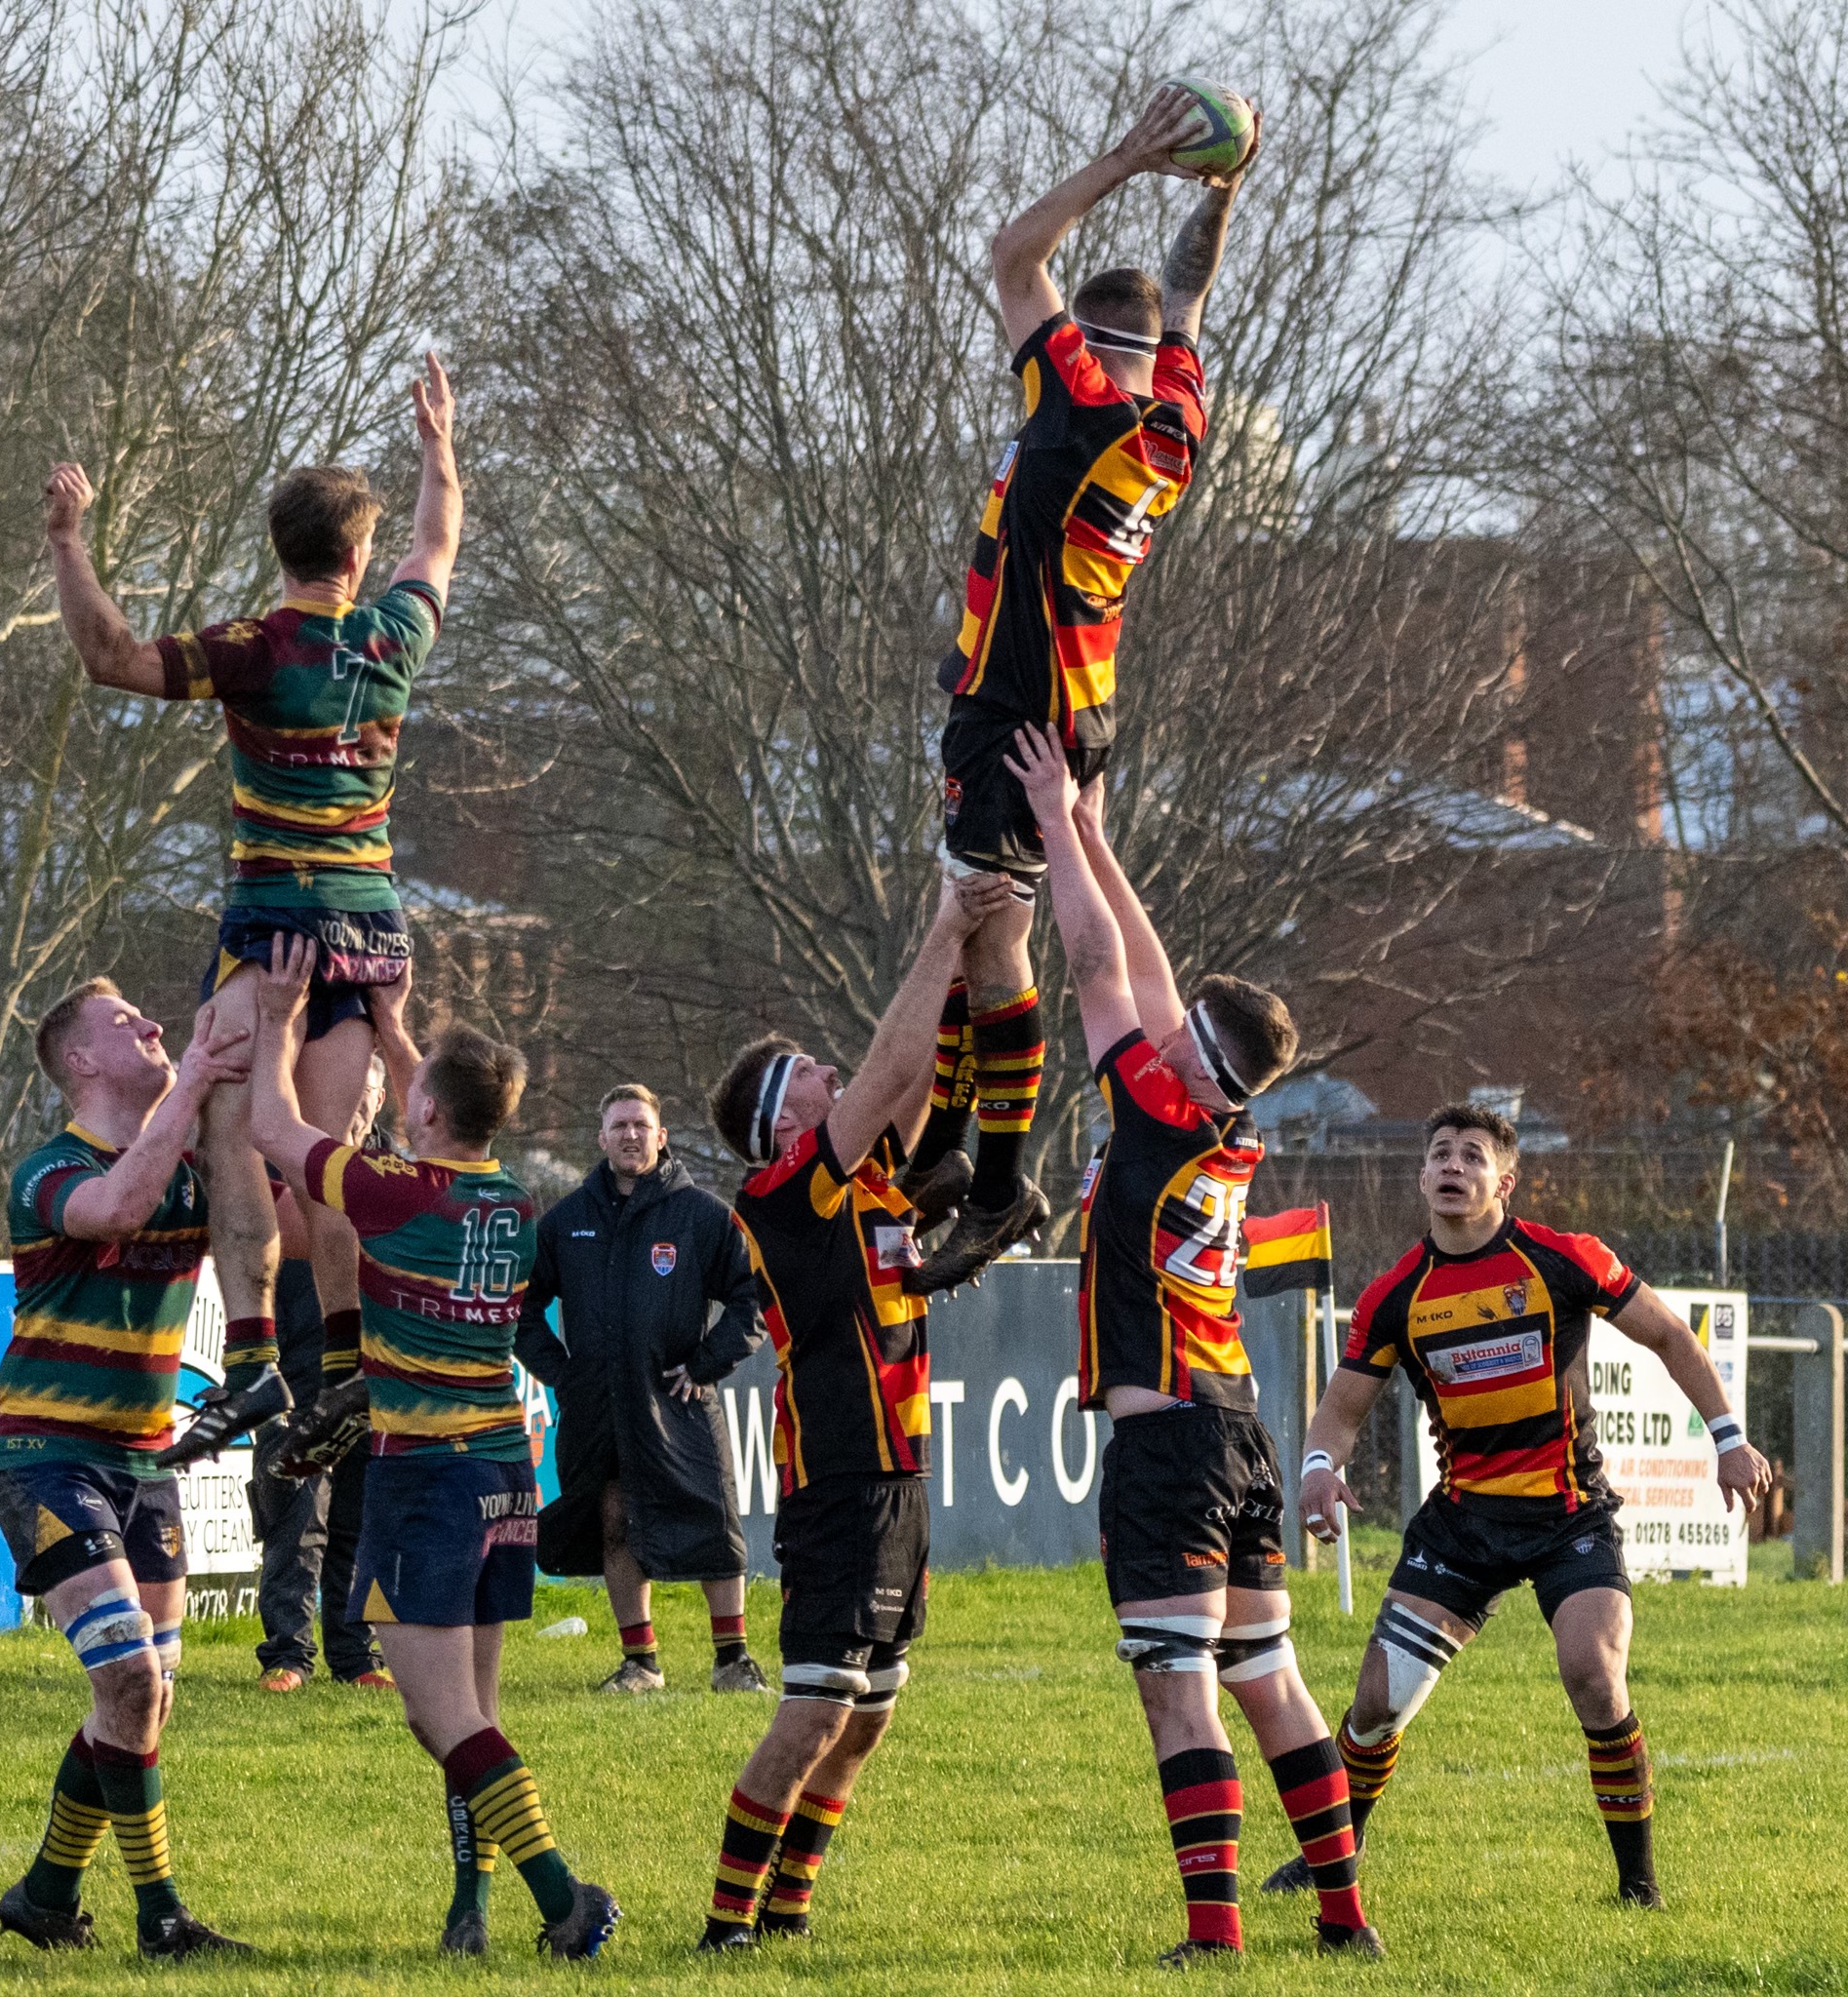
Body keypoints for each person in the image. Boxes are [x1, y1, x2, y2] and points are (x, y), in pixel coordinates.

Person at [1005, 724, 1384, 1965]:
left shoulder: (1160, 1106)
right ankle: (1342, 1917)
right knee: (1266, 1676)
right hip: (1237, 1424)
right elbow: (1154, 979)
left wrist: (1058, 822)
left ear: (1196, 1056)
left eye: (1182, 1029)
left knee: (1179, 1682)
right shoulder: (1219, 1120)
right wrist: (1100, 836)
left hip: (1168, 1433)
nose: (1159, 1028)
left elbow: (1094, 961)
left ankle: (1214, 1937)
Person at [42, 352, 462, 1461]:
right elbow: (440, 542)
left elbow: (112, 656)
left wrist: (68, 542)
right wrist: (437, 448)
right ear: (355, 554)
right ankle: (347, 1371)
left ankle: (252, 1367)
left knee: (235, 1130)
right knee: (321, 1152)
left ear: (281, 551)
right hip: (370, 929)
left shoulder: (250, 650)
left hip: (273, 921)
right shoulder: (393, 636)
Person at [909, 82, 1257, 1292]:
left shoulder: (1079, 409)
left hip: (1019, 714)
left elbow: (1012, 254)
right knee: (957, 934)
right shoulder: (1173, 412)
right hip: (1073, 702)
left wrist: (1126, 157)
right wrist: (1214, 191)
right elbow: (1189, 294)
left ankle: (997, 1180)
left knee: (983, 936)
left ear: (1082, 349)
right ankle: (948, 1154)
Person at [1264, 1104, 1773, 1909]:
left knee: (1595, 1677)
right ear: (1423, 1176)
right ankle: (1329, 1859)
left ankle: (1638, 1884)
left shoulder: (1562, 1258)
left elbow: (1671, 1336)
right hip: (1463, 1523)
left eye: (1471, 1154)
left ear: (1505, 1179)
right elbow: (1343, 1410)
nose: (1452, 1166)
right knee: (1375, 1706)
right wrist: (1320, 1467)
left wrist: (1729, 1437)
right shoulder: (1396, 1293)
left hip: (1569, 1514)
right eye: (1439, 1154)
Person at [247, 934, 618, 1962]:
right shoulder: (507, 1197)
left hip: (429, 1477)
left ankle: (565, 1898)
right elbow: (445, 1107)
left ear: (421, 1116)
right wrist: (396, 1026)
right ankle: (470, 1907)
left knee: (444, 1713)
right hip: (505, 1470)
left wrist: (280, 1011)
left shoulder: (392, 1189)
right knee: (467, 1715)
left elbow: (270, 1124)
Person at [694, 869, 1015, 1950]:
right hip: (835, 1476)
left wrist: (981, 937)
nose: (829, 1071)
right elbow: (882, 1068)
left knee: (868, 1714)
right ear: (778, 1121)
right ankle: (724, 1922)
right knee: (817, 1706)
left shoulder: (868, 1175)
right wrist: (944, 919)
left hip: (898, 1480)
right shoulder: (779, 1193)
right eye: (805, 1076)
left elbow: (912, 1067)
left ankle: (785, 1910)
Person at [0, 979, 254, 1959]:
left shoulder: (185, 1158)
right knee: (131, 1676)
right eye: (123, 1020)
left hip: (146, 1463)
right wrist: (190, 1081)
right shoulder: (48, 1169)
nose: (149, 1022)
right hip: (45, 1457)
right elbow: (115, 1206)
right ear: (80, 1062)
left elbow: (280, 1237)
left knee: (142, 1697)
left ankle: (47, 1892)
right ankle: (162, 1915)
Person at [518, 1083, 769, 1695]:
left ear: (661, 1136)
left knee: (712, 1516)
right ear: (601, 1139)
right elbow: (521, 1307)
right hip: (597, 1404)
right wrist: (561, 1370)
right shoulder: (567, 1221)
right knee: (612, 1519)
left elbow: (751, 1301)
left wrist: (707, 1363)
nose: (630, 1135)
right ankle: (642, 1664)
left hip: (677, 1401)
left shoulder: (702, 1216)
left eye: (641, 1125)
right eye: (618, 1125)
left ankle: (732, 1661)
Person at [249, 1051, 393, 1693]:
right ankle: (286, 1655)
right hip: (297, 1376)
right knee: (296, 1519)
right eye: (346, 1092)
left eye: (367, 1095)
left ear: (382, 1100)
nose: (356, 1106)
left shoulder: (402, 1178)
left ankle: (356, 1657)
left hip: (376, 1383)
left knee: (360, 1522)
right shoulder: (283, 1172)